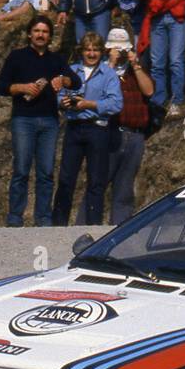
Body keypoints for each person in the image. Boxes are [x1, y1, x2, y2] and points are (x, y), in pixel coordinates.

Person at [0, 15, 82, 227]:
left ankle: (43, 218)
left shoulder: (56, 59)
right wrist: (22, 88)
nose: (40, 35)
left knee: (46, 172)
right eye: (37, 31)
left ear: (50, 36)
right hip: (23, 119)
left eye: (44, 32)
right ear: (29, 34)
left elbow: (76, 82)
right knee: (21, 170)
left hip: (49, 121)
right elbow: (0, 87)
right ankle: (15, 218)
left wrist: (64, 80)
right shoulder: (17, 57)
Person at [79, 27, 156, 225]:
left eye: (123, 49)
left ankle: (118, 231)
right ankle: (83, 227)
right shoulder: (103, 69)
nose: (120, 53)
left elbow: (149, 91)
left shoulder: (136, 69)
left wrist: (135, 65)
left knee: (124, 190)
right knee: (98, 183)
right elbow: (95, 92)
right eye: (116, 49)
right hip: (109, 132)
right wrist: (111, 62)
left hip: (135, 135)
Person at [53, 32, 124, 226]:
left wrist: (89, 104)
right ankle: (58, 224)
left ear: (101, 52)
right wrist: (65, 103)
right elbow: (59, 96)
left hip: (97, 129)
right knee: (66, 178)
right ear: (81, 51)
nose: (91, 54)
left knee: (96, 181)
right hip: (74, 127)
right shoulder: (71, 71)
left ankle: (93, 225)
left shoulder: (108, 73)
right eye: (88, 50)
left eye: (95, 50)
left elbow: (116, 103)